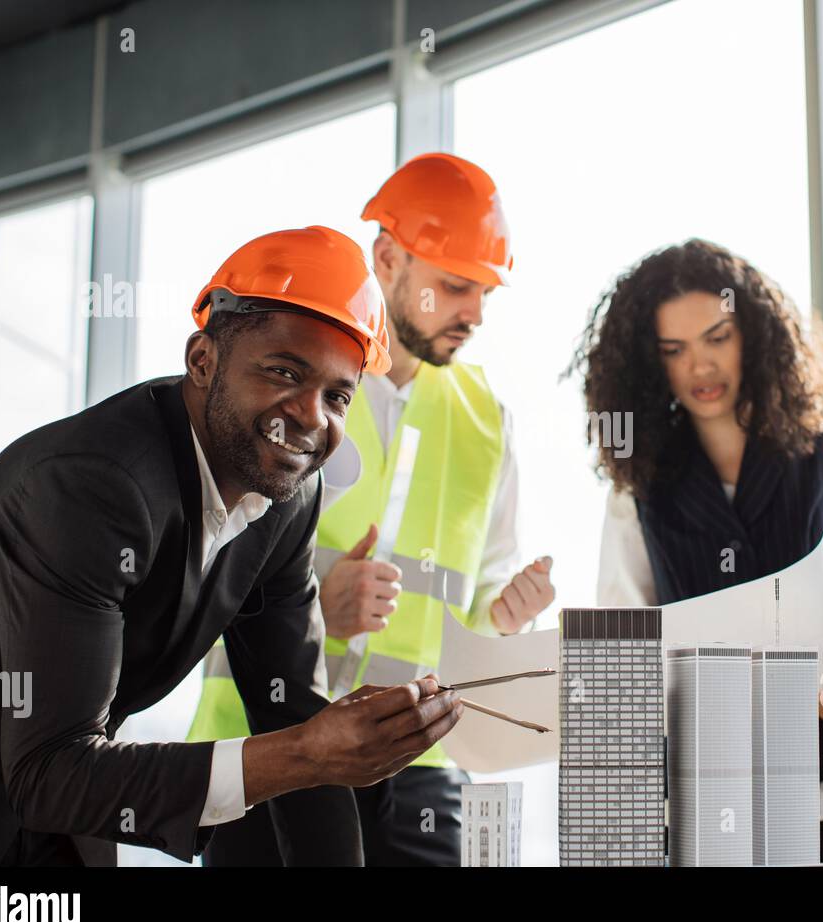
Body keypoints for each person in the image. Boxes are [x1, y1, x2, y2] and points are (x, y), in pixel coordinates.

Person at [0, 225, 463, 866]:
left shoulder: (285, 499)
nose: (312, 416)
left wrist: (316, 752)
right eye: (284, 372)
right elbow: (51, 771)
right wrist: (306, 752)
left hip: (67, 798)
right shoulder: (90, 483)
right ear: (202, 359)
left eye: (337, 396)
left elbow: (292, 714)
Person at [190, 154, 555, 867]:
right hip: (265, 742)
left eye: (484, 293)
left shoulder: (489, 422)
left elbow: (477, 600)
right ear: (387, 258)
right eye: (455, 287)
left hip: (419, 758)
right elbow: (199, 572)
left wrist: (505, 619)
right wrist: (318, 608)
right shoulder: (286, 389)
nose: (474, 314)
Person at [571, 238, 823, 866]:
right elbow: (621, 655)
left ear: (755, 335)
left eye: (717, 338)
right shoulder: (637, 486)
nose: (700, 368)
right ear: (648, 362)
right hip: (716, 816)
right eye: (674, 350)